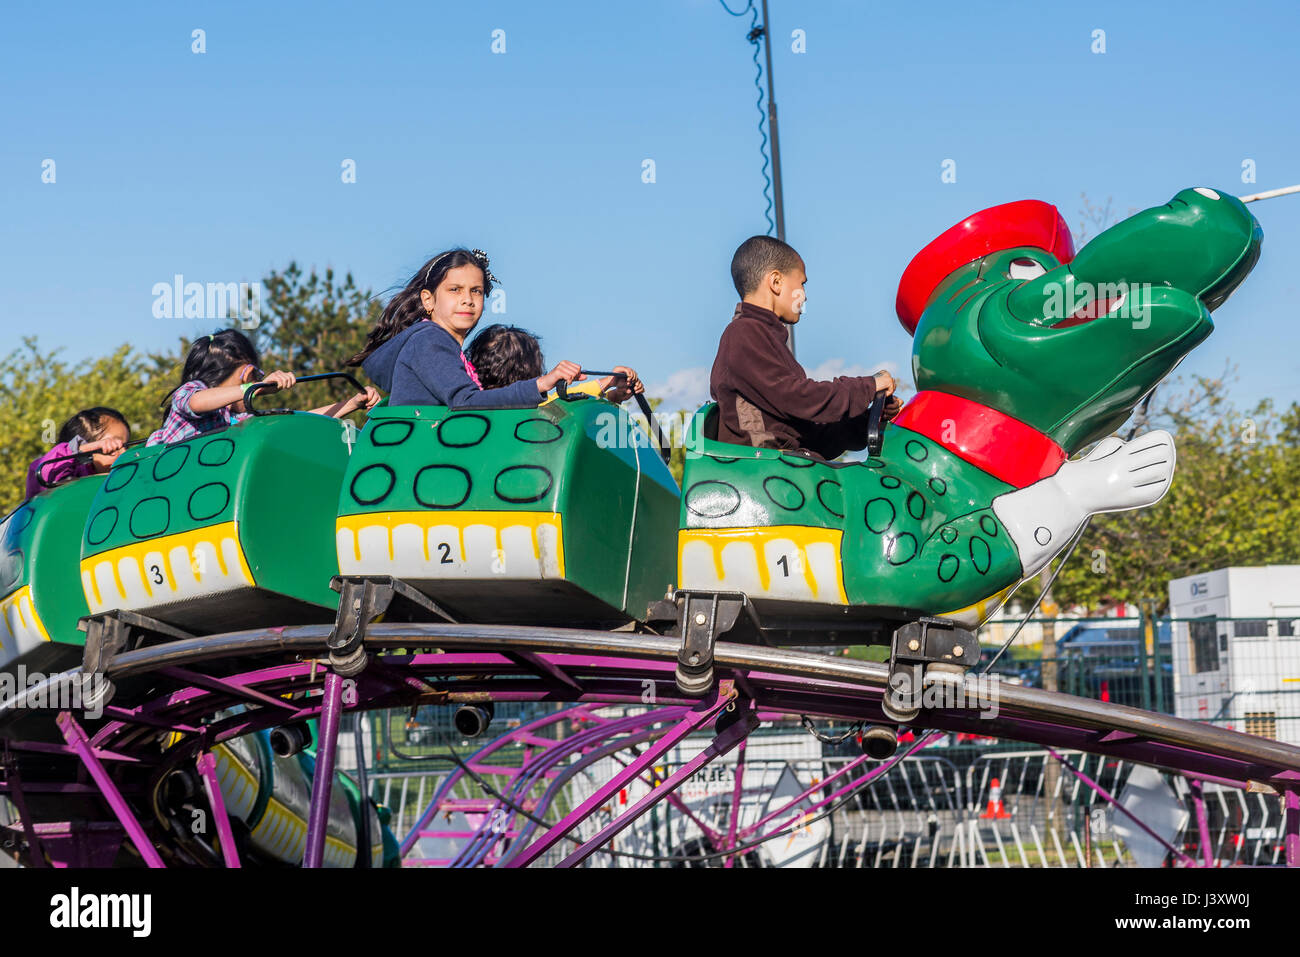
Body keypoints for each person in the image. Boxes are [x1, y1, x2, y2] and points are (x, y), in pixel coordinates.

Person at [349, 248, 641, 406]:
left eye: (476, 291)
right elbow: (466, 402)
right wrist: (542, 383)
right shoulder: (429, 340)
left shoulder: (447, 347)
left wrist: (607, 392)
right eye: (455, 290)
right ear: (428, 299)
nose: (467, 300)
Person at [710, 235, 902, 460]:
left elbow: (813, 435)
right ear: (776, 282)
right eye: (801, 283)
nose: (804, 295)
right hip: (764, 475)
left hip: (788, 470)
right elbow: (801, 399)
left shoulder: (763, 339)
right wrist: (867, 387)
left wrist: (868, 420)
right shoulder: (743, 334)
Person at [147, 329, 380, 446]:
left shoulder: (235, 420)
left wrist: (351, 403)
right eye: (254, 374)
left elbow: (294, 422)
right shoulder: (191, 392)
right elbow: (197, 402)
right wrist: (254, 387)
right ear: (247, 373)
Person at [465, 323, 642, 401]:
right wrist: (609, 387)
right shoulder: (537, 409)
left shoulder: (465, 401)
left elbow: (559, 400)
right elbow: (560, 403)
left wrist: (610, 387)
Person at [25, 407, 130, 498]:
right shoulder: (68, 478)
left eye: (126, 446)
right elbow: (45, 471)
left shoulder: (124, 484)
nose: (124, 452)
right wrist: (81, 450)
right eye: (113, 446)